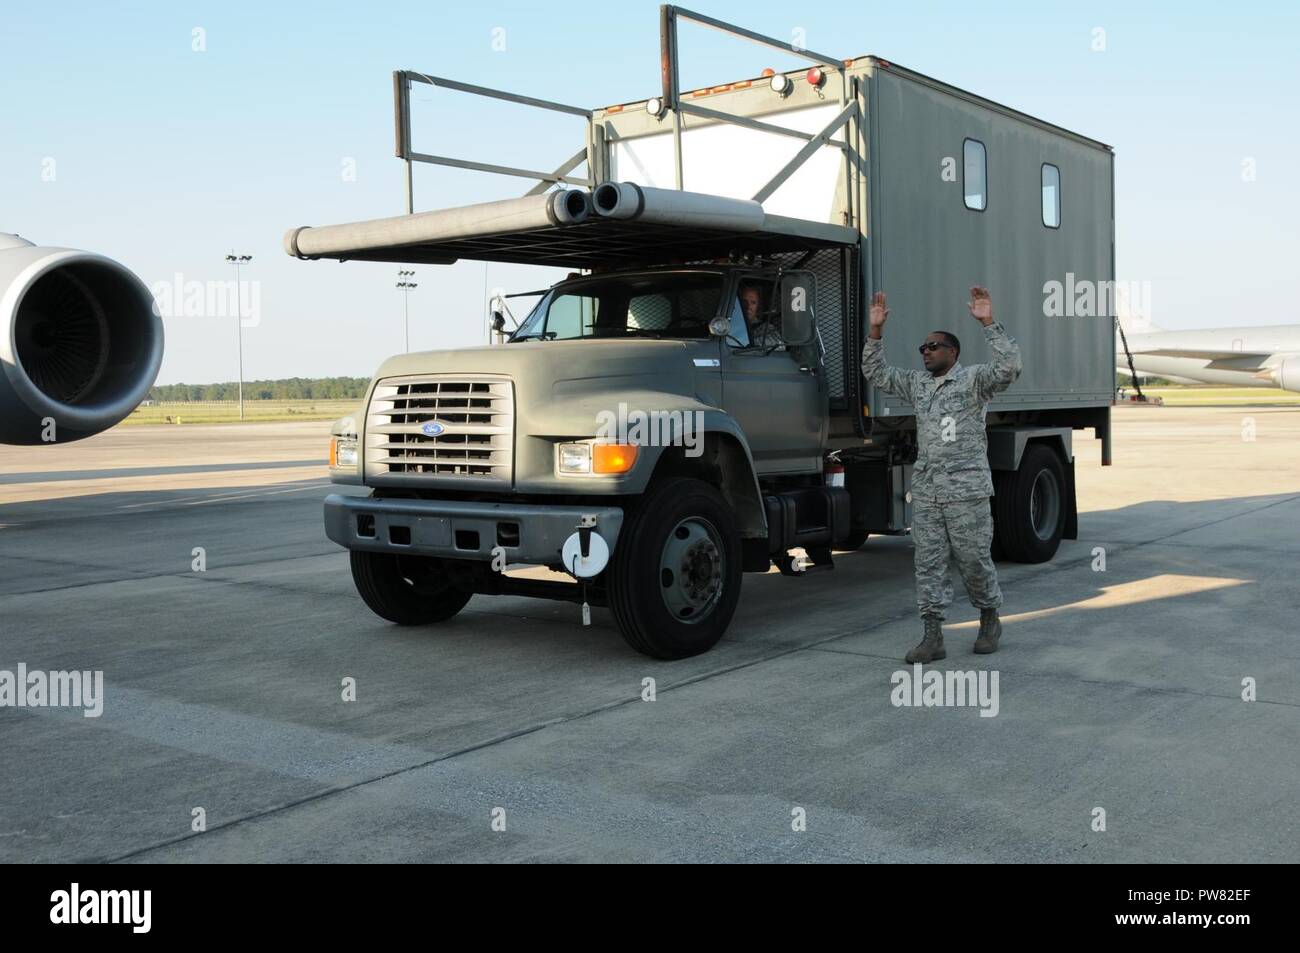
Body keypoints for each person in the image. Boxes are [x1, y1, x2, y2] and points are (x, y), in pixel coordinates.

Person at [861, 287, 1022, 663]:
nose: (926, 351)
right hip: (929, 491)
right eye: (923, 348)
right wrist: (876, 331)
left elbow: (1009, 368)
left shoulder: (974, 381)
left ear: (953, 352)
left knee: (973, 560)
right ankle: (933, 636)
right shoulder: (919, 385)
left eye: (933, 346)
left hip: (967, 490)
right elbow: (876, 372)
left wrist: (987, 322)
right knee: (928, 563)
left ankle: (989, 618)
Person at [737, 283, 784, 350]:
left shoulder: (765, 328)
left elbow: (779, 346)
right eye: (744, 301)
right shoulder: (729, 323)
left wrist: (750, 345)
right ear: (738, 303)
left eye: (753, 302)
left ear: (758, 307)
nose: (748, 306)